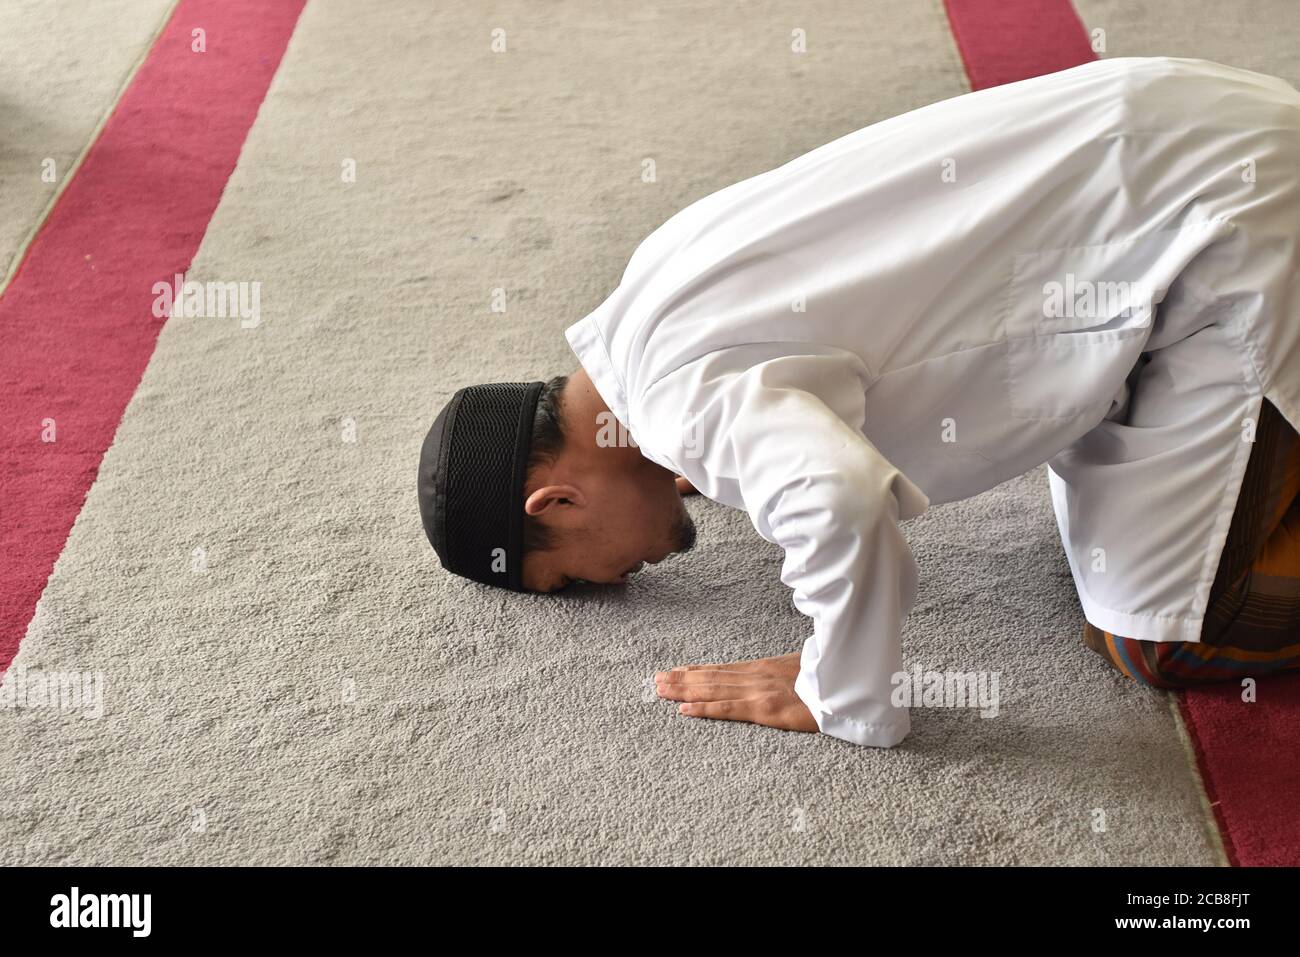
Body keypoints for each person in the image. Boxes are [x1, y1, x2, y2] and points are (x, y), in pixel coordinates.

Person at [418, 57, 1300, 747]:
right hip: (1178, 125)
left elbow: (841, 501)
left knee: (1164, 638)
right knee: (1093, 537)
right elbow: (765, 372)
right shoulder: (648, 297)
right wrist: (705, 450)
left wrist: (831, 684)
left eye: (572, 573)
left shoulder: (687, 405)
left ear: (557, 501)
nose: (610, 585)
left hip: (1230, 232)